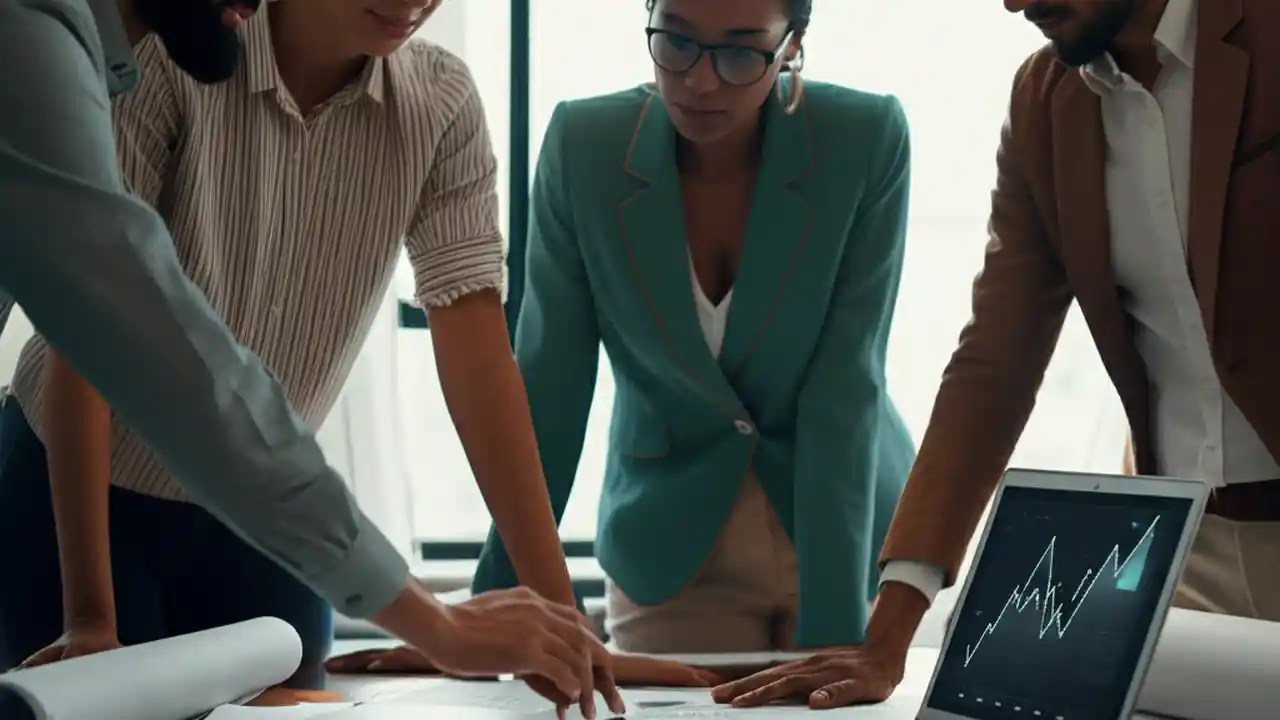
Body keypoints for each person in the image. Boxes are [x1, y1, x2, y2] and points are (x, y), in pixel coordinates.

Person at [0, 0, 621, 714]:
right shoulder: (167, 45)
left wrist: (558, 617)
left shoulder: (440, 103)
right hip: (71, 495)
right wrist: (89, 615)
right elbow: (98, 328)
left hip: (265, 513)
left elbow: (479, 357)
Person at [711, 0, 1280, 709]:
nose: (1012, 1)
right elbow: (993, 366)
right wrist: (886, 638)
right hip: (1184, 561)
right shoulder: (1047, 103)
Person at [332, 0, 916, 668]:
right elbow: (548, 390)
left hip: (842, 529)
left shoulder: (864, 138)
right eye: (676, 42)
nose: (699, 80)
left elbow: (847, 385)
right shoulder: (587, 149)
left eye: (739, 51)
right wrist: (484, 621)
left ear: (793, 45)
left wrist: (838, 635)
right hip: (672, 548)